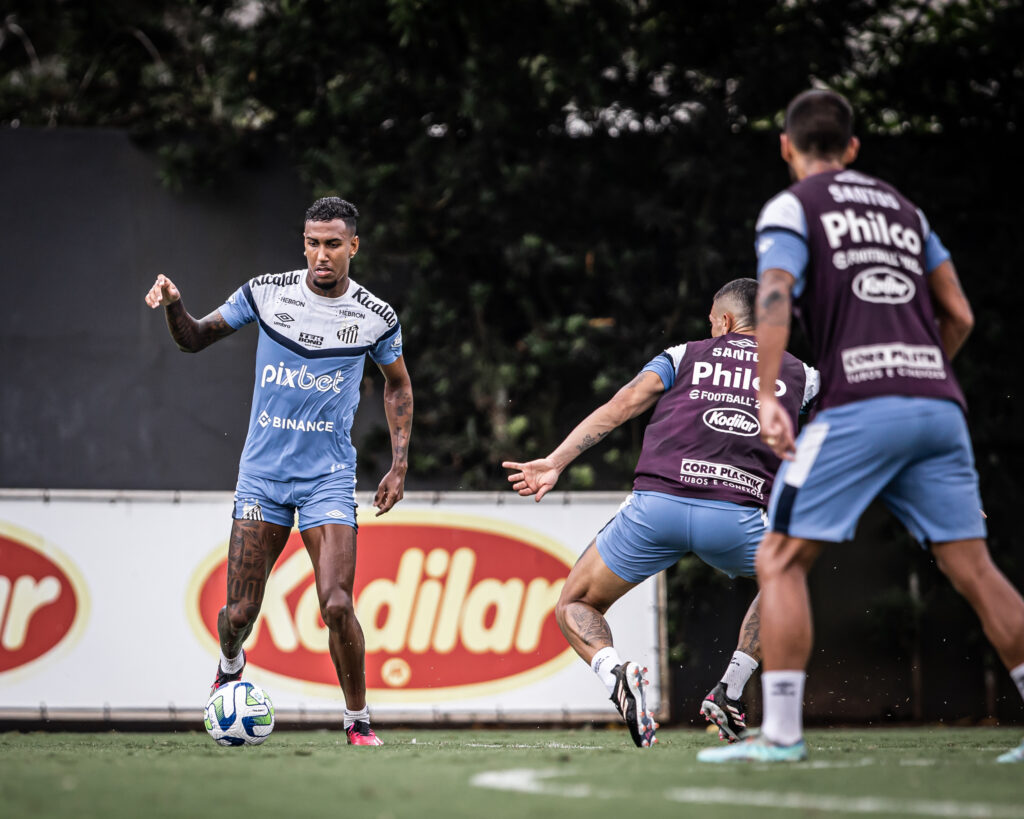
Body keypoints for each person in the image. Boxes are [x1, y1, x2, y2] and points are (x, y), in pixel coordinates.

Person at [698, 89, 1024, 764]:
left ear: (787, 147)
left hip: (859, 406)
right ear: (852, 149)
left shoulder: (793, 206)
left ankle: (781, 735)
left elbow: (775, 296)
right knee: (976, 569)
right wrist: (920, 375)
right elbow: (958, 315)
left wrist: (767, 395)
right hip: (939, 406)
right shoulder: (907, 211)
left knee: (780, 557)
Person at [503, 278, 818, 748]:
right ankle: (731, 690)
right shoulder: (802, 376)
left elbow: (620, 406)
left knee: (575, 603)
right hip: (735, 515)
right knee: (786, 582)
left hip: (657, 509)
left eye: (712, 321)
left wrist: (555, 462)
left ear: (725, 321)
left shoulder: (682, 355)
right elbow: (859, 427)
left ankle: (616, 675)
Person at [144, 196, 413, 747]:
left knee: (337, 604)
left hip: (328, 480)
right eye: (312, 243)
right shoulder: (266, 293)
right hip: (262, 480)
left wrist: (399, 464)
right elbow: (194, 338)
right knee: (239, 610)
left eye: (333, 244)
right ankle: (230, 660)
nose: (321, 254)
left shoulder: (375, 317)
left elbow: (399, 384)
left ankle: (358, 723)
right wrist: (175, 304)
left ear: (353, 247)